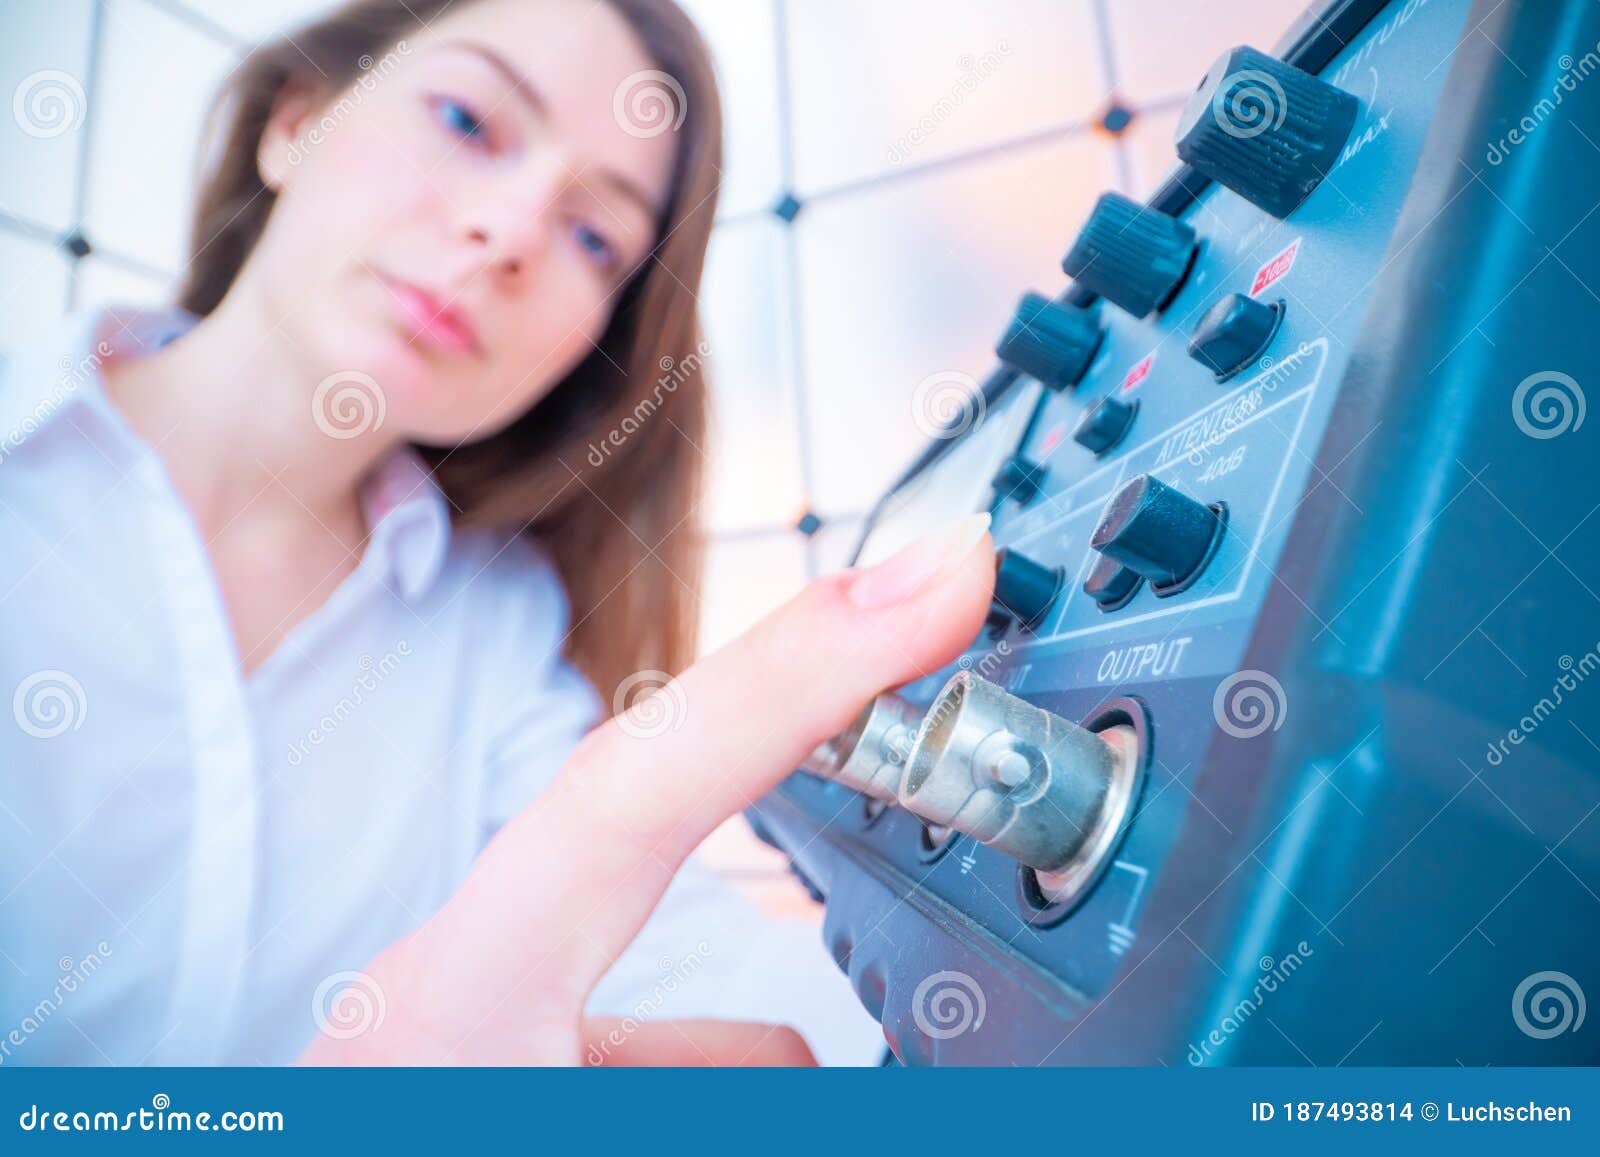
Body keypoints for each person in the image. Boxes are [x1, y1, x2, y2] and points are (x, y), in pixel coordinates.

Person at [0, 0, 995, 1065]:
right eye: (471, 122)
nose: (513, 232)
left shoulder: (497, 629)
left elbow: (711, 974)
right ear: (296, 121)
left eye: (592, 235)